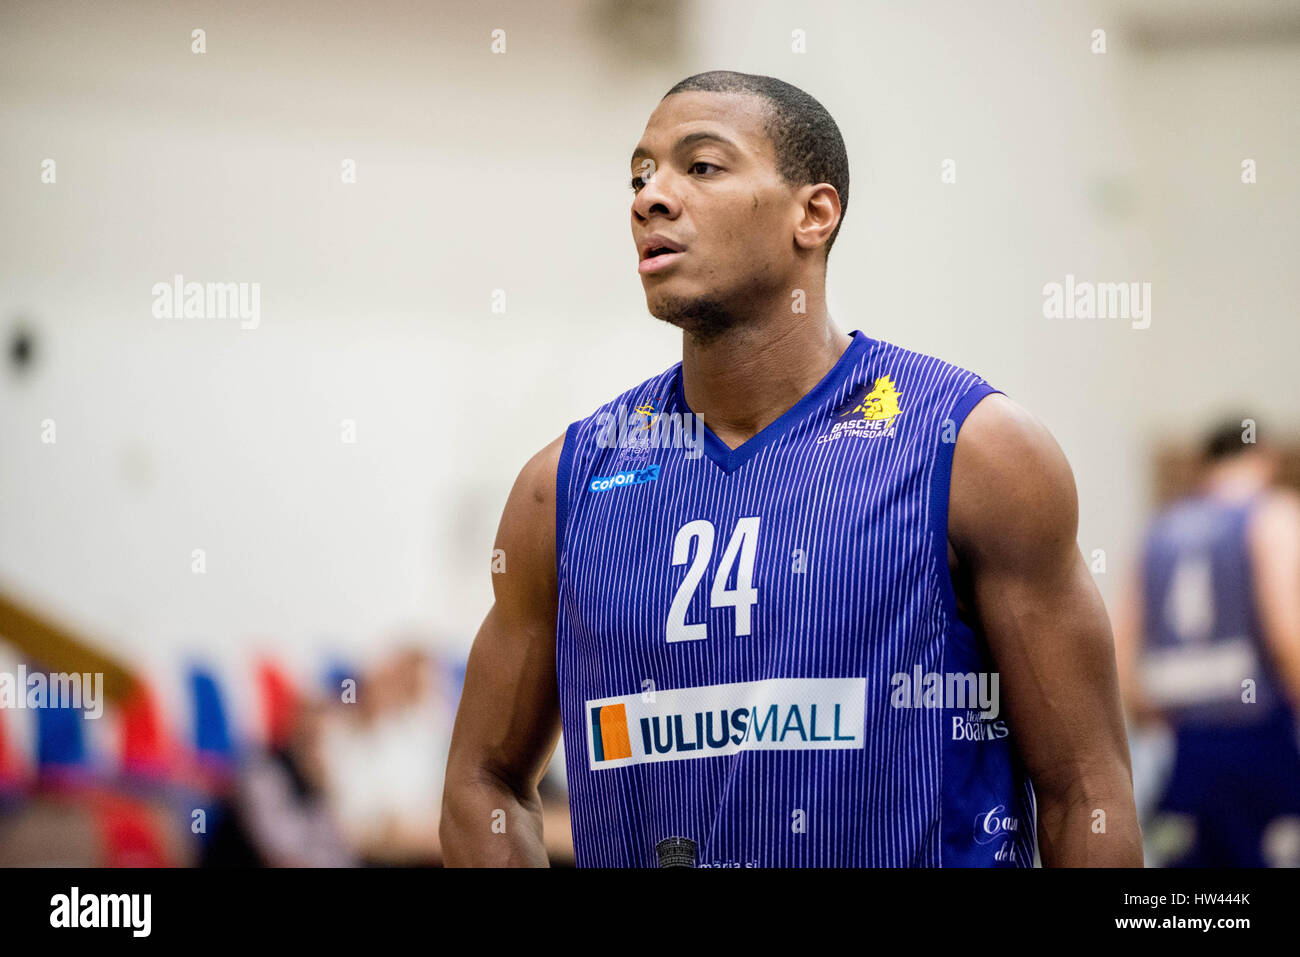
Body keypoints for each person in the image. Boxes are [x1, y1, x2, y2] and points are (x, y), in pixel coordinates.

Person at [441, 70, 1141, 867]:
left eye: (700, 167)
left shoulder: (976, 449)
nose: (650, 197)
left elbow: (1088, 788)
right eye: (640, 175)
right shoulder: (559, 486)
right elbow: (482, 781)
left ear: (814, 213)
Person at [1114, 419, 1300, 867]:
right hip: (1258, 732)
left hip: (1182, 740)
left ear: (1204, 467)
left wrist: (1150, 722)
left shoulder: (1159, 530)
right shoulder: (1274, 515)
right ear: (1266, 458)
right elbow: (1284, 629)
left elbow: (1120, 644)